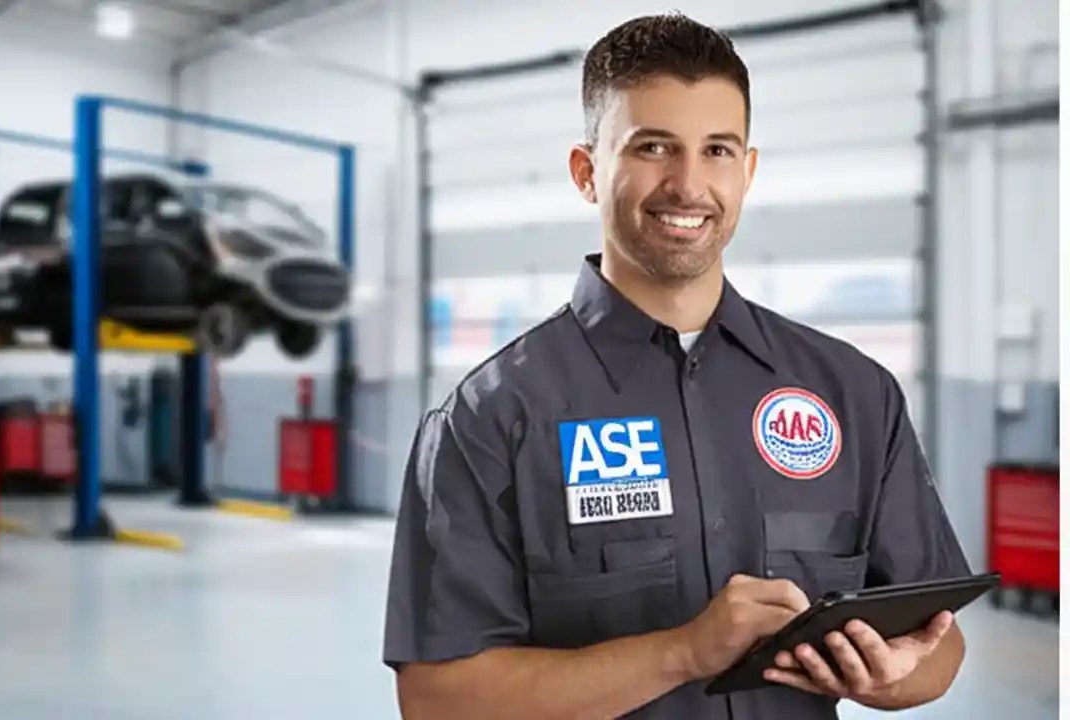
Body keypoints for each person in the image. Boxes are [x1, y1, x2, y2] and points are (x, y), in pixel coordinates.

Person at [382, 11, 973, 720]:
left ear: (747, 171)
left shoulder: (852, 393)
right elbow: (438, 700)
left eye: (718, 150)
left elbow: (939, 645)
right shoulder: (491, 418)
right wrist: (684, 652)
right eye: (653, 147)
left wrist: (895, 676)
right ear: (586, 172)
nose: (689, 185)